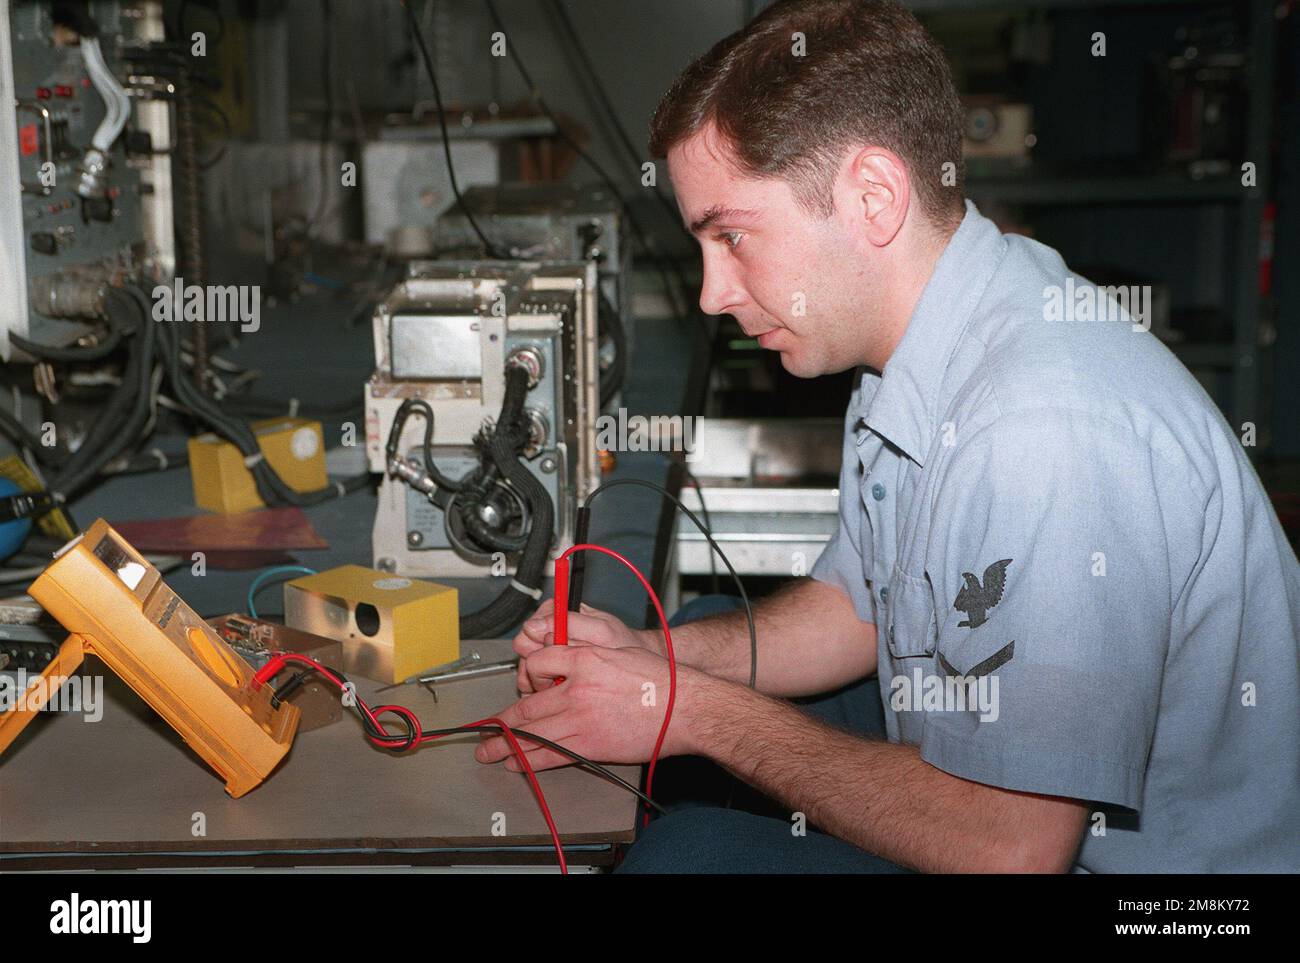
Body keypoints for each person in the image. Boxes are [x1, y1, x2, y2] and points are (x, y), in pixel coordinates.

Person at [474, 0, 1300, 873]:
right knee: (709, 626)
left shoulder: (1046, 430)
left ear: (873, 197)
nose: (714, 293)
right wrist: (657, 657)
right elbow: (861, 605)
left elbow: (1013, 849)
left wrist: (688, 709)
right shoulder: (918, 336)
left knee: (691, 856)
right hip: (989, 767)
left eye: (733, 235)